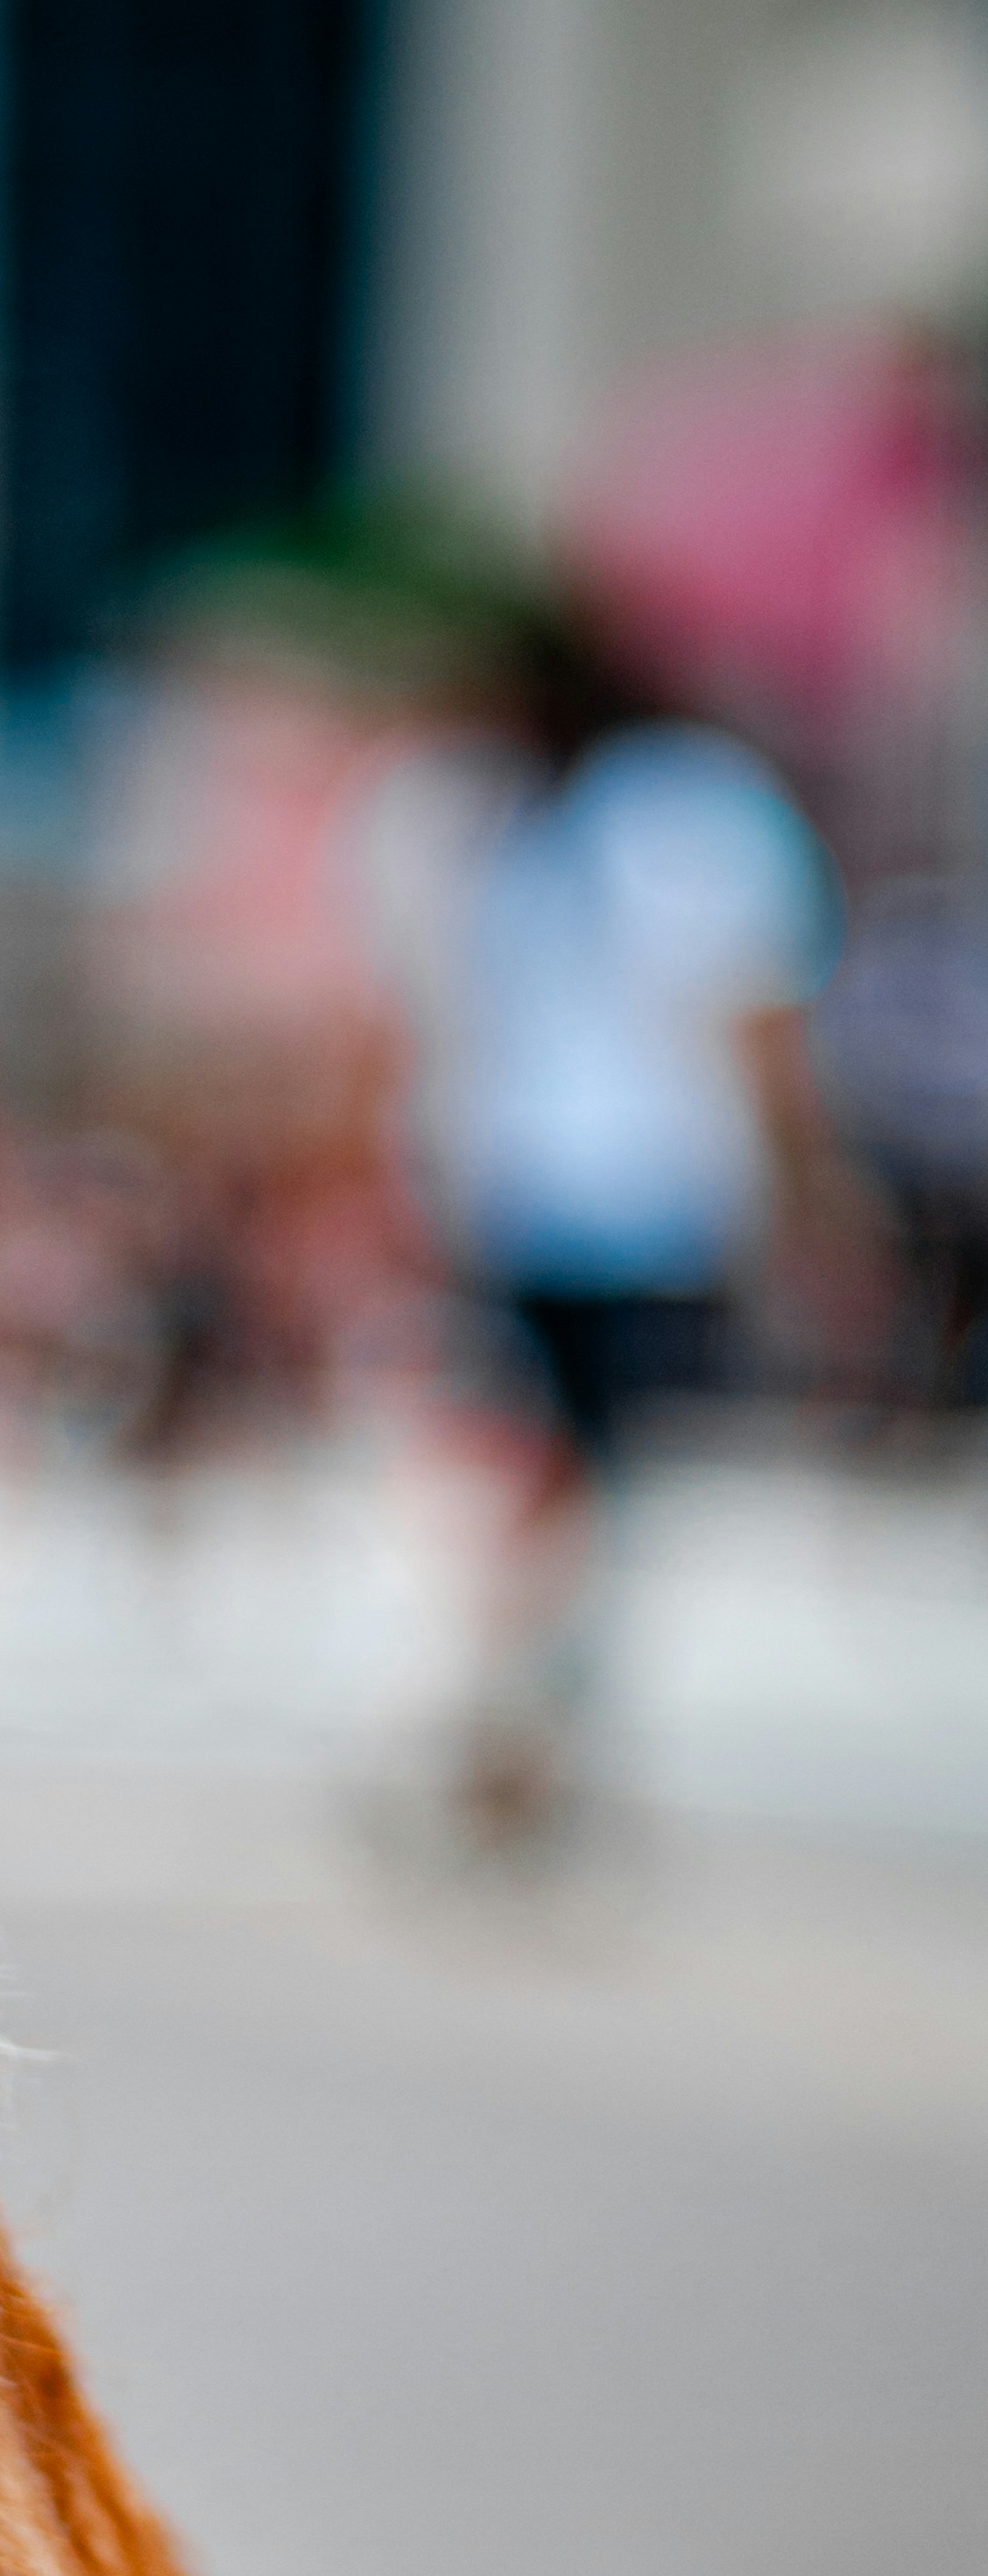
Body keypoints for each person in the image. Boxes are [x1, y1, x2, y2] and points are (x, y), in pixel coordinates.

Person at [356, 603, 843, 1841]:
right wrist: (810, 1189)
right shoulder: (695, 809)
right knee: (592, 1458)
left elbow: (413, 1020)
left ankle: (521, 1686)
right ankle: (527, 1689)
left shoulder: (476, 813)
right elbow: (757, 1020)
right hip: (645, 1192)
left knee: (548, 1451)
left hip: (509, 1182)